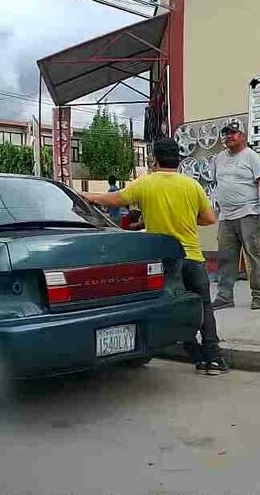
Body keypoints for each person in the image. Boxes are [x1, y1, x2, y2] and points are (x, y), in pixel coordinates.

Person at [82, 138, 227, 375]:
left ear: (155, 160)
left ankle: (192, 351)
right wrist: (187, 218)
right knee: (203, 306)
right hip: (193, 256)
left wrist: (88, 196)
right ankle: (213, 358)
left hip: (165, 260)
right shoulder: (192, 185)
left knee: (174, 308)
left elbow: (115, 199)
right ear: (178, 160)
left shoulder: (146, 183)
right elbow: (210, 218)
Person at [213, 122, 260, 311]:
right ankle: (224, 297)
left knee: (254, 257)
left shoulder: (251, 156)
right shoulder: (219, 158)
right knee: (225, 258)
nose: (229, 136)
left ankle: (259, 296)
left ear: (243, 136)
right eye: (226, 134)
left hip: (249, 215)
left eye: (233, 133)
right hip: (226, 217)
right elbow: (219, 184)